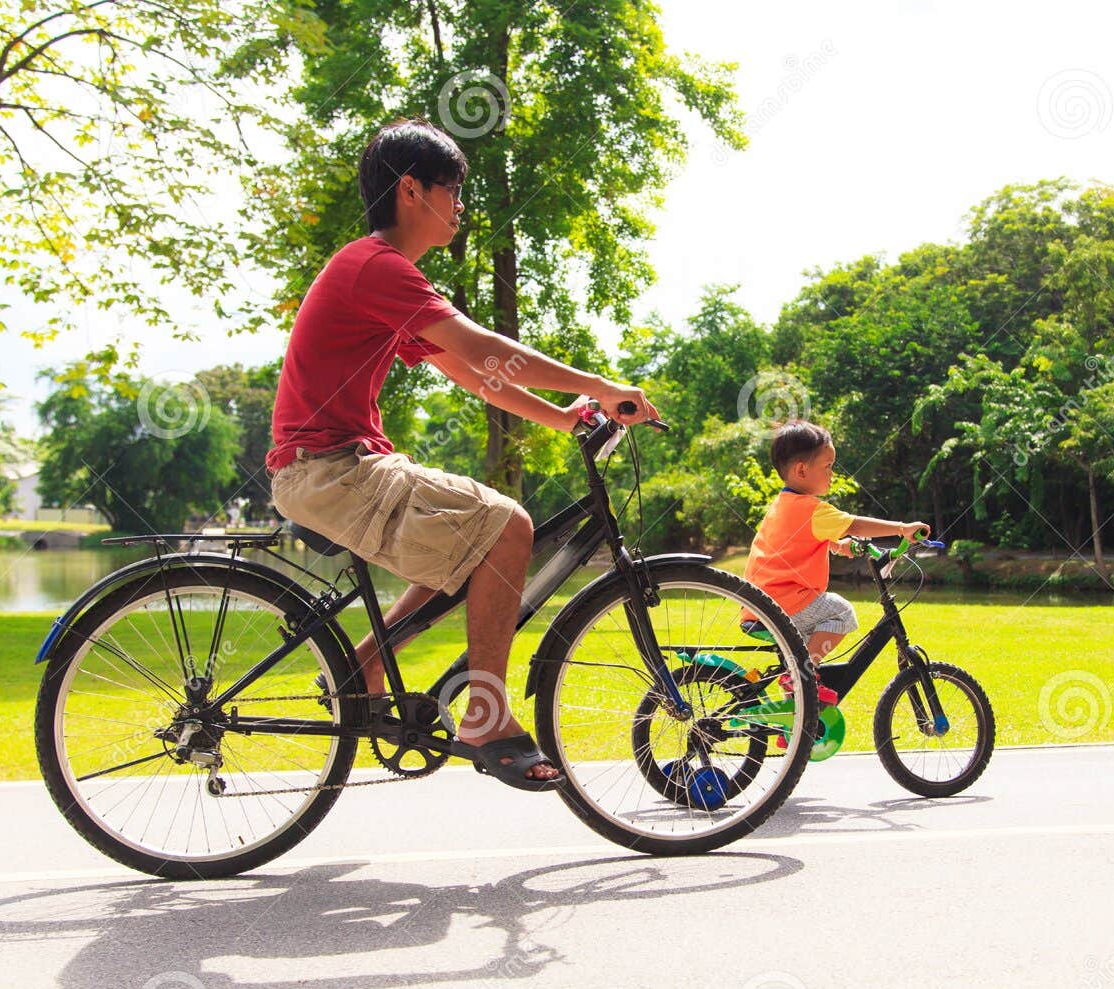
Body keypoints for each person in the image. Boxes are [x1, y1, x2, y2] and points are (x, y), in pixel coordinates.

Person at [266, 118, 659, 790]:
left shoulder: (381, 275)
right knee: (508, 526)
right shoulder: (376, 267)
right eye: (452, 189)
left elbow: (476, 375)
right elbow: (483, 348)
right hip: (329, 470)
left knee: (476, 542)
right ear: (411, 190)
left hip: (335, 467)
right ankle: (486, 715)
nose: (461, 205)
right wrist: (599, 384)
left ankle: (363, 664)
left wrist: (564, 417)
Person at [744, 421, 928, 701]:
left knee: (807, 648)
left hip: (760, 605)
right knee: (841, 613)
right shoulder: (812, 509)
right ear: (801, 470)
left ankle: (800, 706)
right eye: (828, 466)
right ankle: (800, 678)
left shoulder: (783, 505)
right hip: (784, 603)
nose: (832, 473)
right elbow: (854, 524)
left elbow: (799, 538)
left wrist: (840, 546)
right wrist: (902, 529)